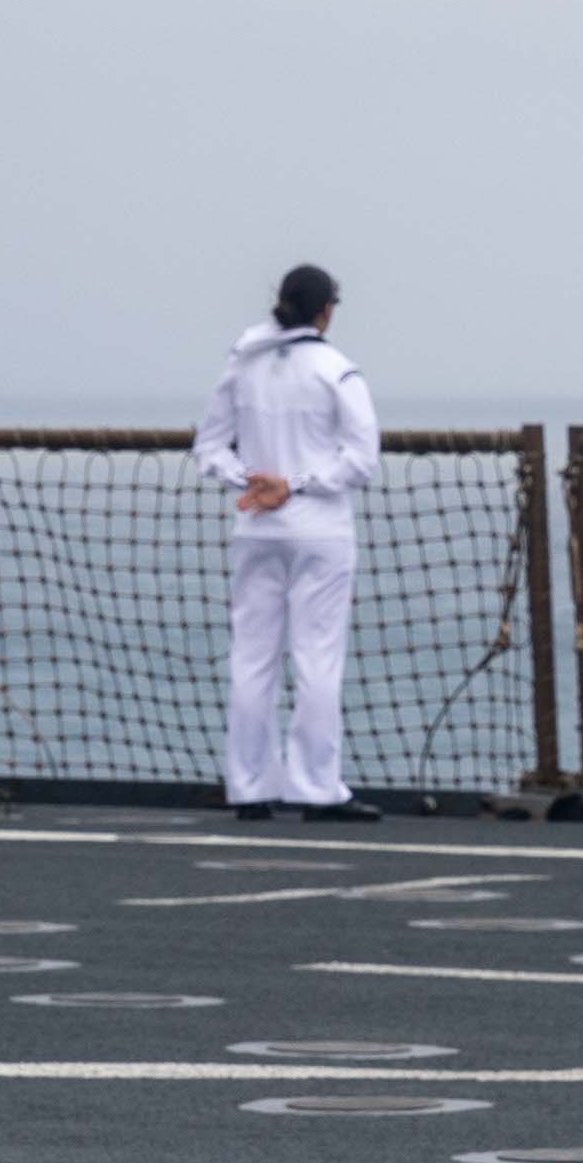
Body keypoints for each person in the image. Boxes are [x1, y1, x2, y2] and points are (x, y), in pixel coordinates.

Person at [195, 262, 380, 823]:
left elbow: (209, 447)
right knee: (317, 658)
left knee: (251, 659)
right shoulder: (337, 370)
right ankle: (316, 790)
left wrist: (250, 482)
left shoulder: (242, 364)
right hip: (319, 529)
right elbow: (361, 461)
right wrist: (295, 485)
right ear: (327, 311)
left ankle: (249, 788)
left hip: (256, 529)